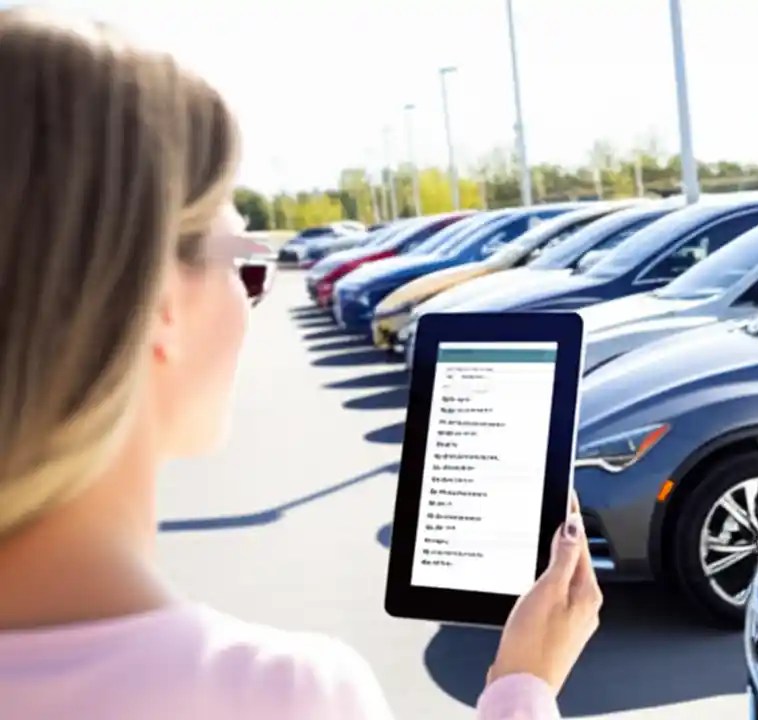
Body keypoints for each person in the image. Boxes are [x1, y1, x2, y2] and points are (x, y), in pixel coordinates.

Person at [0, 7, 602, 719]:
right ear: (160, 303)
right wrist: (521, 686)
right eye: (242, 260)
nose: (251, 296)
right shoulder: (278, 693)